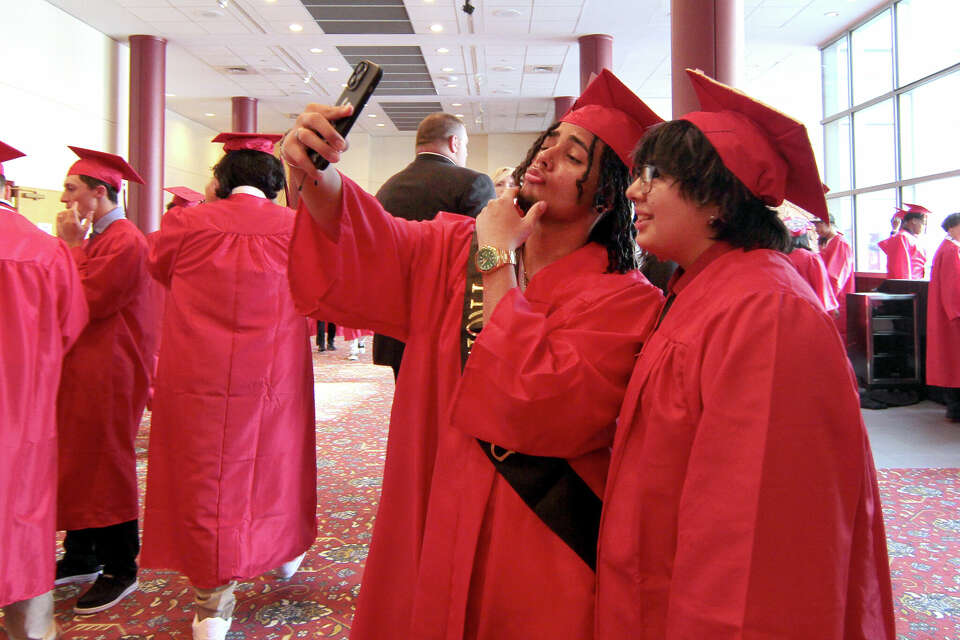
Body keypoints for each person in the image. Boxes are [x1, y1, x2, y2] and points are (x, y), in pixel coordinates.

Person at [282, 69, 664, 640]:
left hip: (535, 530)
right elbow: (375, 242)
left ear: (609, 193)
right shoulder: (455, 245)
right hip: (436, 492)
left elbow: (534, 401)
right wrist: (313, 172)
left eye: (574, 155)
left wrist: (493, 259)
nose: (547, 156)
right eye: (548, 143)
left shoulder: (626, 302)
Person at [597, 69, 895, 639]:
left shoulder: (766, 310)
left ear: (717, 197)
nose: (634, 191)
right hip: (658, 586)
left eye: (654, 176)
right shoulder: (703, 287)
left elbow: (761, 537)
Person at [142, 132, 316, 640]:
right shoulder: (295, 227)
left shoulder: (184, 224)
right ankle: (281, 550)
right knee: (273, 457)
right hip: (272, 370)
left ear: (219, 181)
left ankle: (209, 598)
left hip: (198, 371)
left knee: (203, 472)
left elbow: (158, 268)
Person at [53, 146, 158, 615]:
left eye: (71, 188)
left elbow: (86, 301)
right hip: (86, 366)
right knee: (80, 458)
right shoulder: (101, 236)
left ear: (99, 193)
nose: (63, 196)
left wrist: (72, 248)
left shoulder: (125, 241)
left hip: (112, 367)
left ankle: (121, 567)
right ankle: (82, 554)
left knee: (107, 463)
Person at [1, 142, 88, 640]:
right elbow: (70, 325)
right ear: (8, 187)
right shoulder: (43, 249)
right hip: (21, 417)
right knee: (19, 525)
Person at [372, 112, 497, 380]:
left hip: (397, 321)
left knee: (408, 409)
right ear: (455, 143)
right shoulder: (472, 183)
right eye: (465, 146)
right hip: (450, 325)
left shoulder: (387, 189)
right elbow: (482, 254)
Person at [926, 212, 960, 423]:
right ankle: (955, 409)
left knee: (952, 362)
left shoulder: (945, 248)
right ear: (952, 228)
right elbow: (954, 286)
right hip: (953, 315)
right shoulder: (952, 250)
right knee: (955, 362)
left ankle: (954, 408)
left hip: (947, 313)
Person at [782, 211, 839, 314]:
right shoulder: (810, 258)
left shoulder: (779, 259)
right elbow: (822, 288)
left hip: (787, 310)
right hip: (810, 309)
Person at [815, 214, 855, 340]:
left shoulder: (841, 243)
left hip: (837, 298)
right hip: (829, 296)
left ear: (829, 223)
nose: (816, 229)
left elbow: (836, 277)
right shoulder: (827, 242)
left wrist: (829, 302)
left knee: (837, 335)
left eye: (819, 224)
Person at [878, 203, 929, 279]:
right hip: (909, 286)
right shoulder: (901, 237)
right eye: (923, 223)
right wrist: (906, 288)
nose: (924, 227)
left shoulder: (913, 238)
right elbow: (901, 269)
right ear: (914, 221)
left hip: (918, 284)